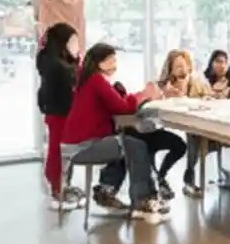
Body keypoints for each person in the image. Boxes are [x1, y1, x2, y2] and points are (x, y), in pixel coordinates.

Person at [61, 43, 169, 223]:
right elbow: (123, 107)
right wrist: (145, 94)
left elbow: (117, 102)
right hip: (83, 146)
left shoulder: (89, 80)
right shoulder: (97, 81)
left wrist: (140, 96)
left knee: (126, 143)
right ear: (99, 63)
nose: (115, 64)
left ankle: (107, 191)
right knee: (135, 146)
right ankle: (143, 202)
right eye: (110, 60)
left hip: (79, 144)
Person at [150, 49, 209, 198]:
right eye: (178, 66)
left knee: (194, 136)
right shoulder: (162, 86)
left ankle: (189, 179)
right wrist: (166, 94)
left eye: (184, 66)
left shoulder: (195, 82)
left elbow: (208, 97)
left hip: (191, 122)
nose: (182, 70)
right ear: (170, 68)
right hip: (162, 125)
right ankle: (159, 178)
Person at [35, 23, 80, 210]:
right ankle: (57, 188)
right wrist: (77, 61)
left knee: (60, 149)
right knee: (59, 150)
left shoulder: (50, 59)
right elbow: (73, 77)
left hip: (57, 111)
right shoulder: (57, 65)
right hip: (59, 112)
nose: (77, 46)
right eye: (73, 42)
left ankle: (61, 186)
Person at [201, 49, 230, 190]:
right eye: (217, 62)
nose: (221, 65)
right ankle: (222, 172)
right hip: (211, 117)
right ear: (211, 63)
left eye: (224, 62)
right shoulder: (206, 77)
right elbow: (202, 95)